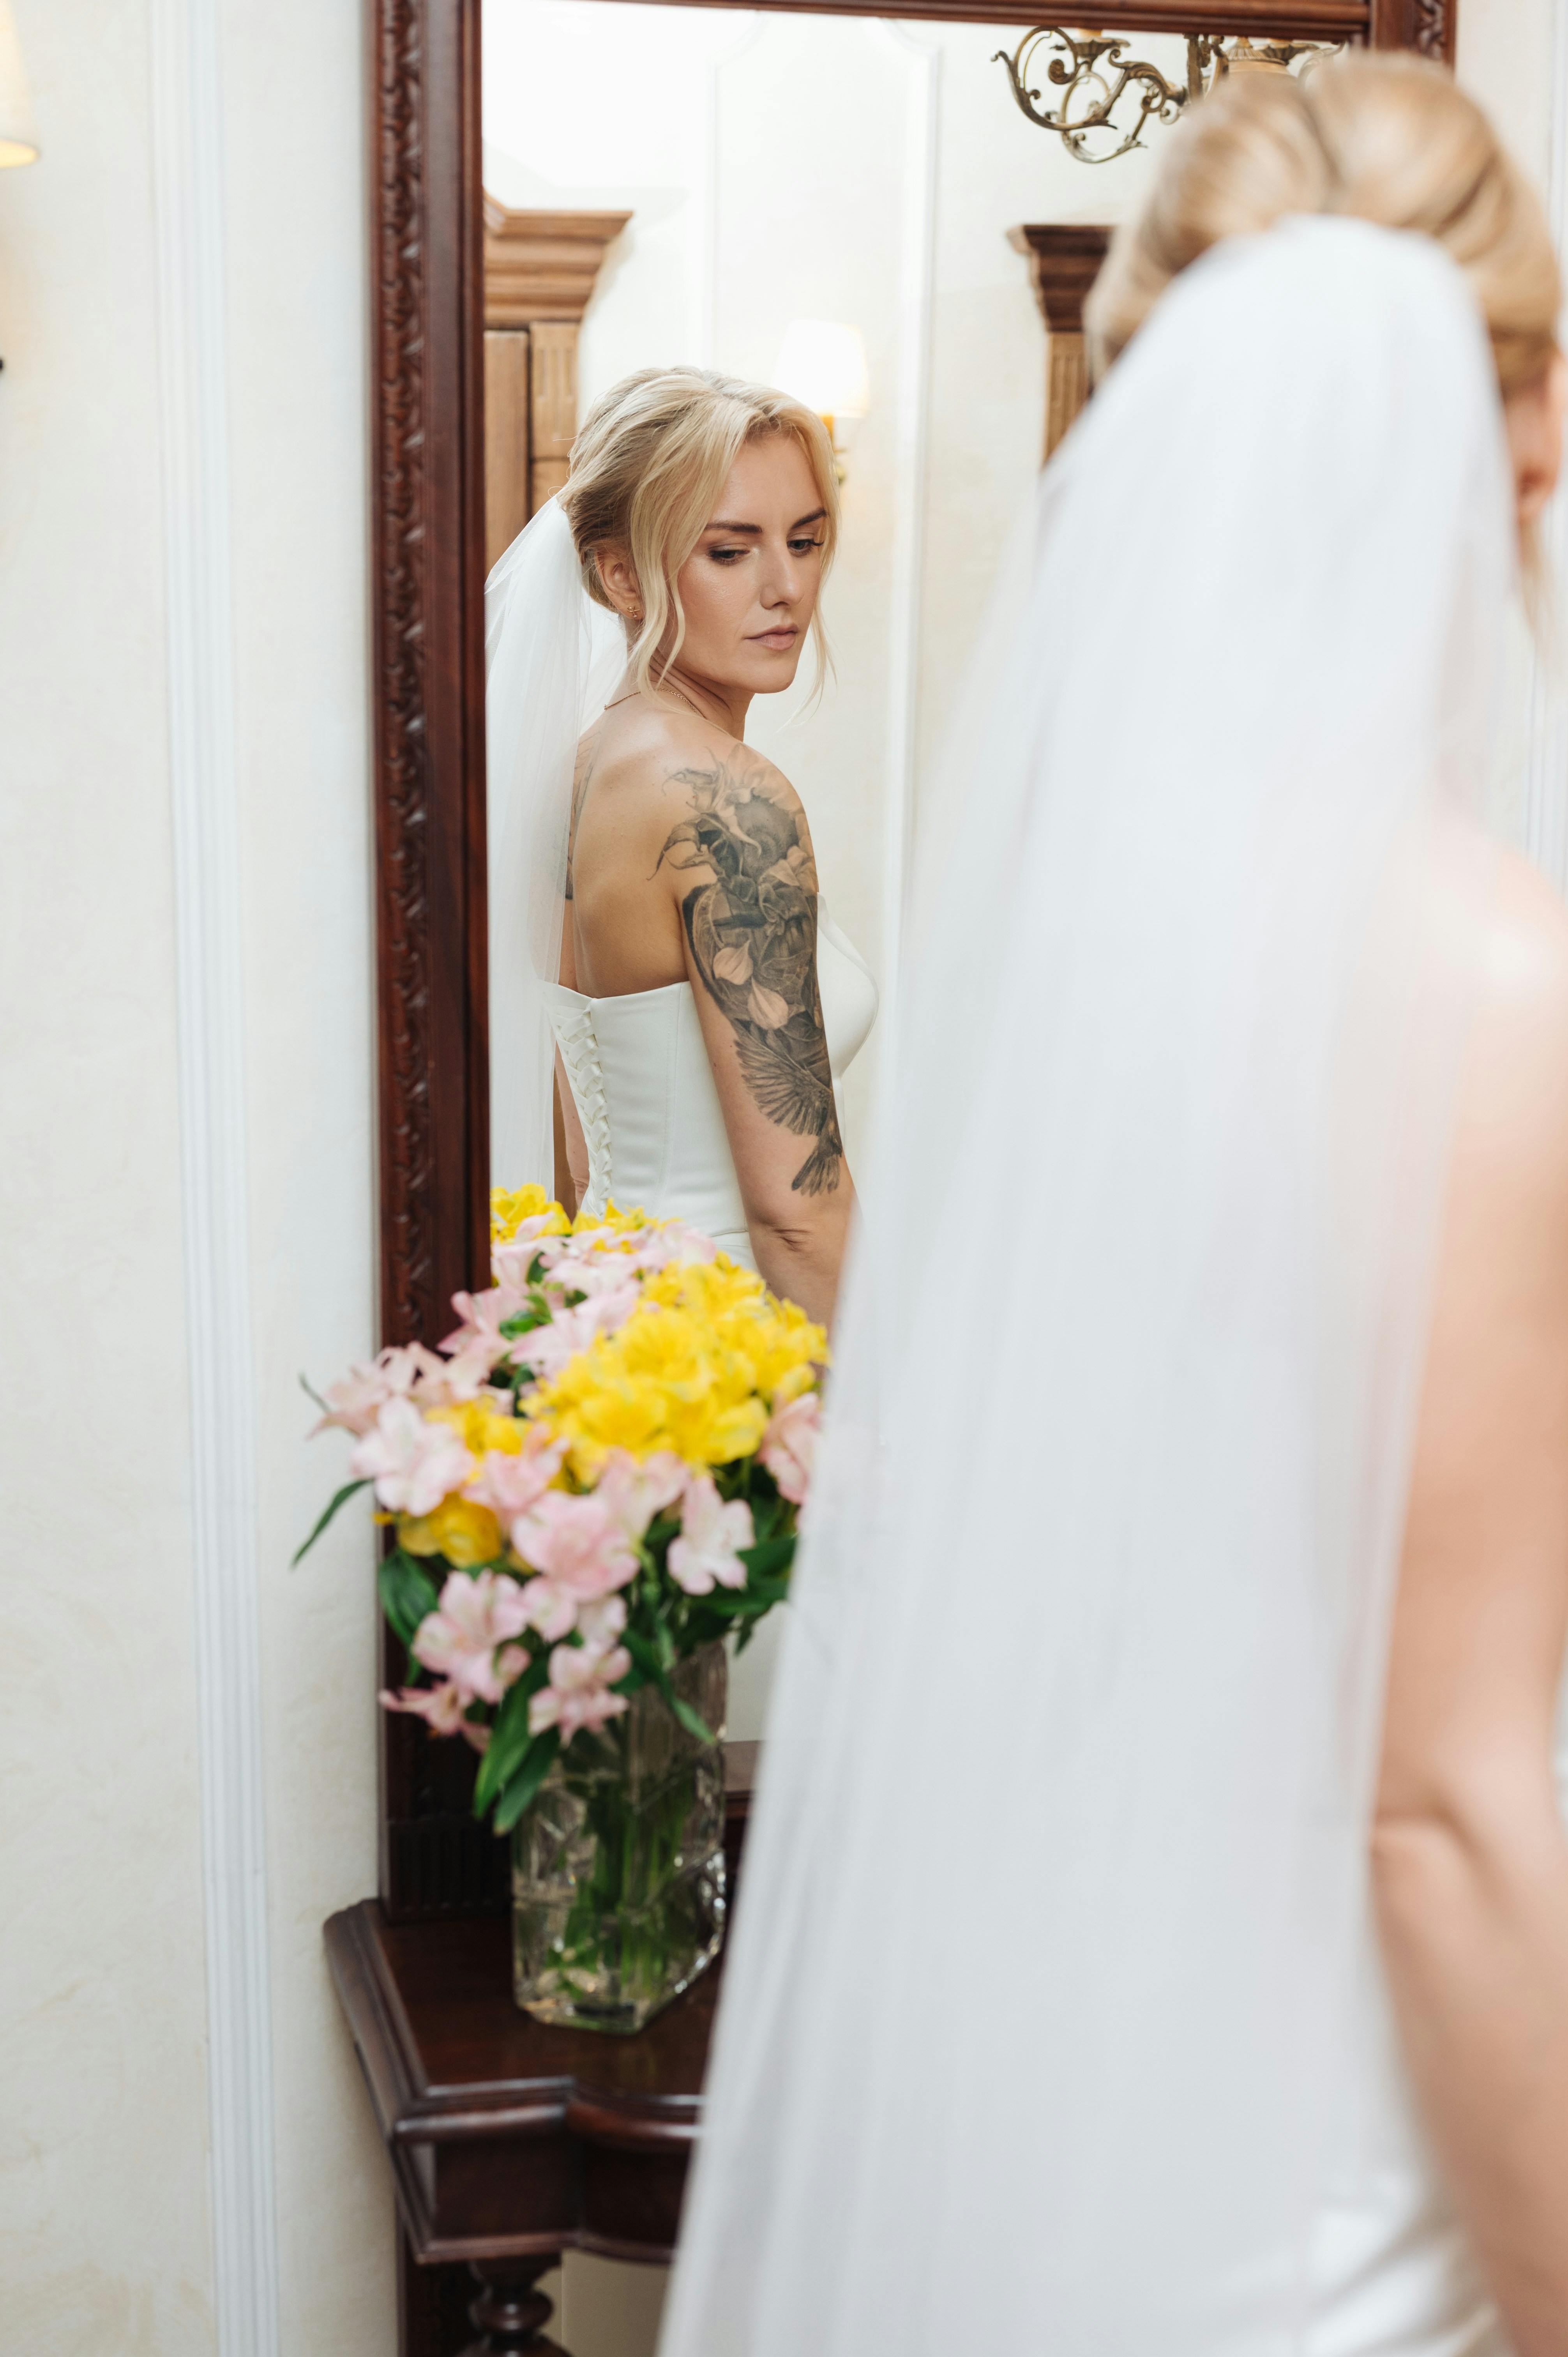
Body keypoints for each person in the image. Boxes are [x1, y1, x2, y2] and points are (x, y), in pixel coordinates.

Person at [658, 57, 1568, 2357]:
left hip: (1074, 2103)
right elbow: (1436, 1812)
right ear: (1518, 454)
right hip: (1353, 2165)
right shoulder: (1484, 980)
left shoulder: (1079, 951)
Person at [485, 368, 878, 1330]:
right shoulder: (729, 803)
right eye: (730, 551)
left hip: (611, 1322)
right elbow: (795, 1213)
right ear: (620, 575)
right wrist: (878, 1405)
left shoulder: (575, 780)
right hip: (735, 1340)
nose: (785, 588)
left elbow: (584, 1155)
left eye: (805, 541)